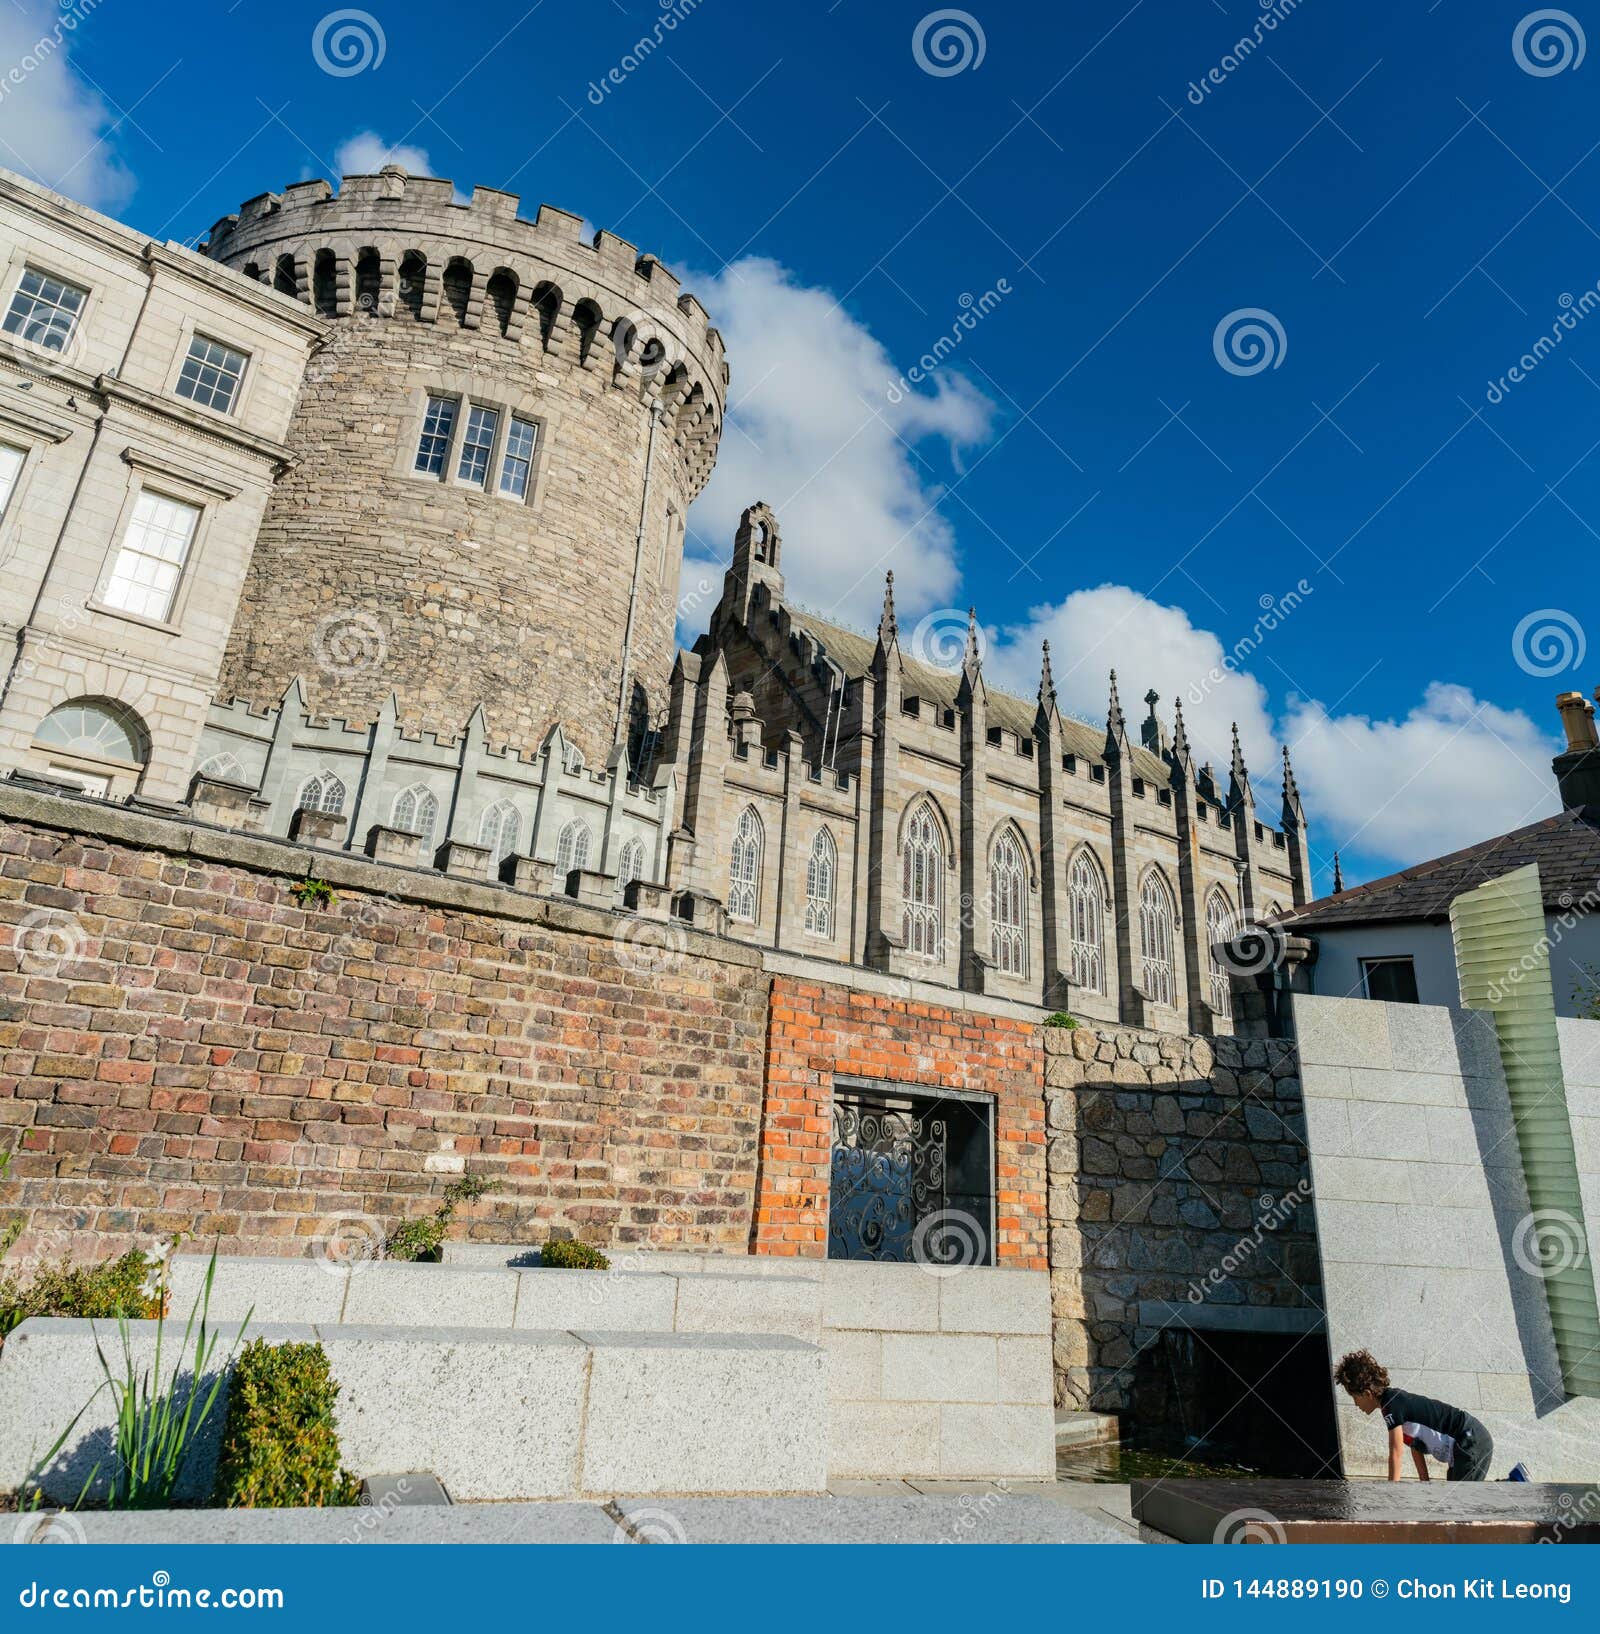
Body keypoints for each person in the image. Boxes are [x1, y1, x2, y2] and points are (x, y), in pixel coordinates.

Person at [1333, 1349, 1494, 1481]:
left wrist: (1389, 1495)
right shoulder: (1393, 1406)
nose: (1355, 1404)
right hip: (1466, 1444)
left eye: (1354, 1397)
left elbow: (1395, 1453)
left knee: (1461, 1505)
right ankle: (1514, 1482)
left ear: (1367, 1393)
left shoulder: (1391, 1405)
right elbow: (1415, 1445)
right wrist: (1424, 1482)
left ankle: (1513, 1484)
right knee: (1453, 1503)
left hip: (1469, 1439)